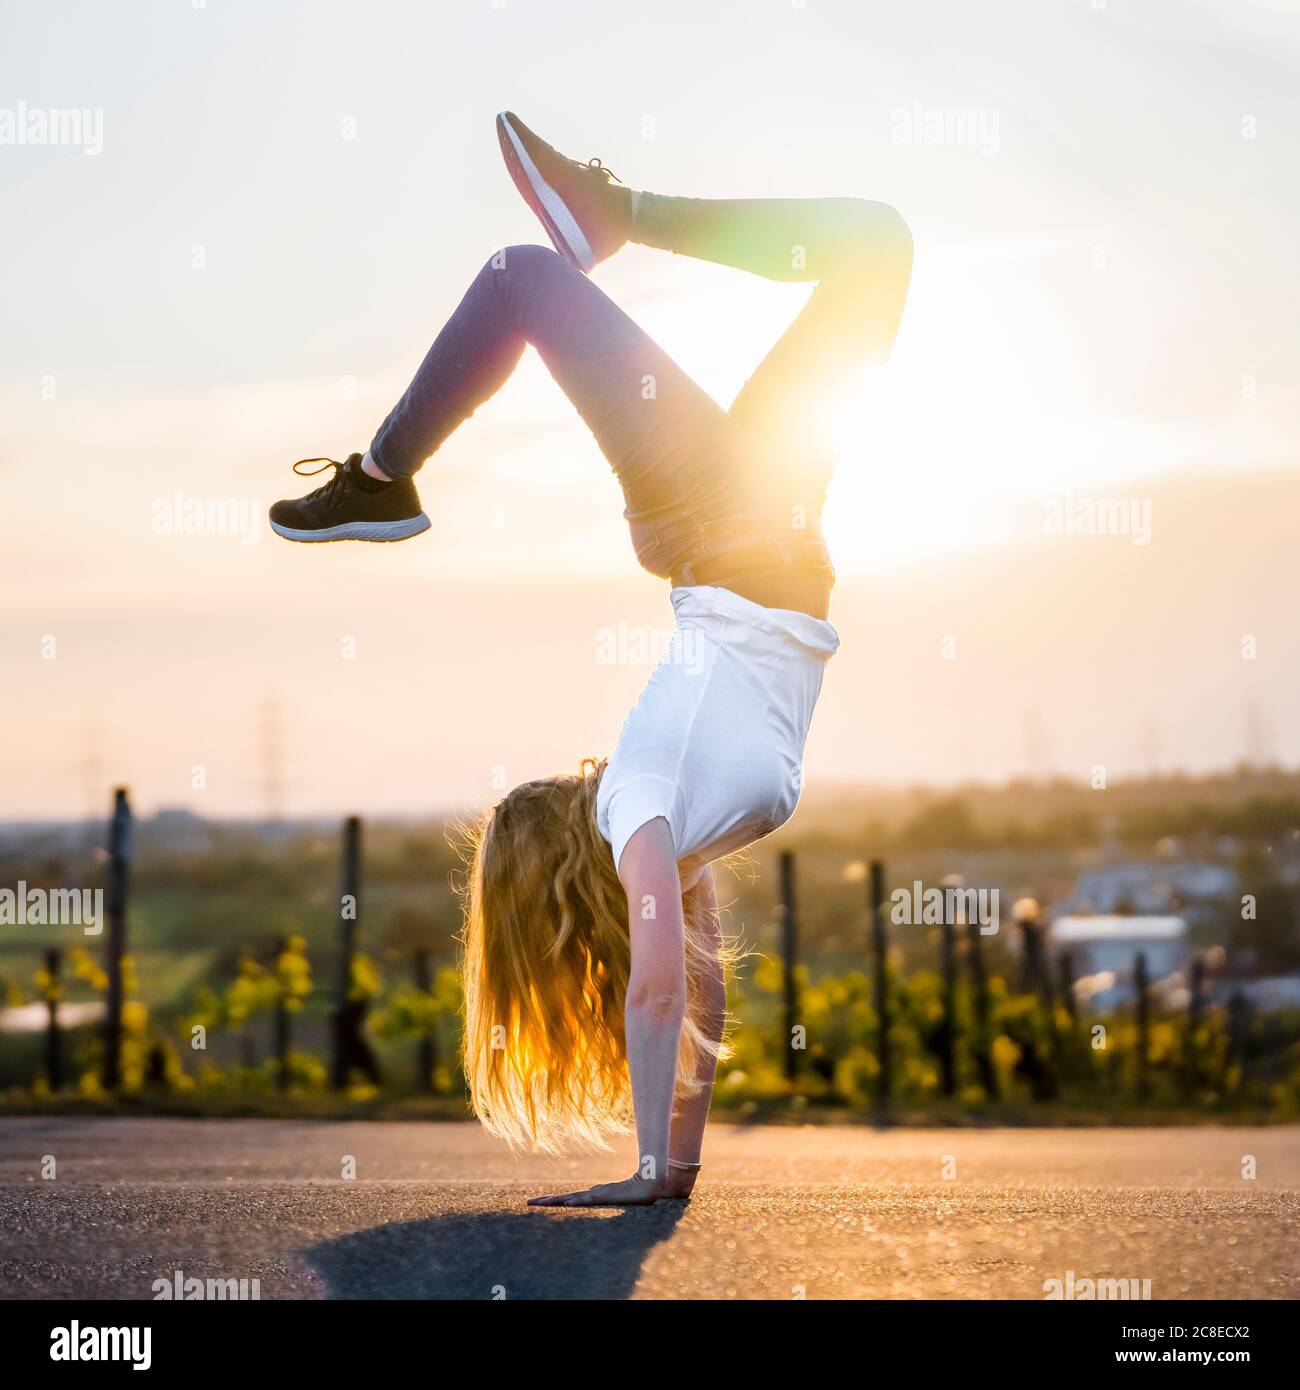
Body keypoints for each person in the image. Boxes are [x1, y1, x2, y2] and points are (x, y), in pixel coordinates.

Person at [271, 113, 913, 1205]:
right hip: (759, 519)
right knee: (871, 248)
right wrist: (671, 1170)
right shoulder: (652, 813)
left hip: (730, 528)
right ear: (547, 831)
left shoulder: (656, 815)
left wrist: (653, 1169)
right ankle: (381, 479)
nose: (561, 775)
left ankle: (387, 473)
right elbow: (684, 997)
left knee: (534, 276)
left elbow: (669, 989)